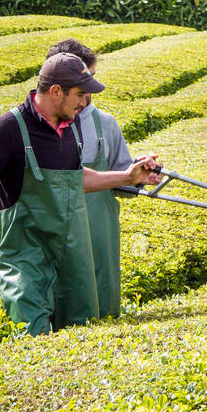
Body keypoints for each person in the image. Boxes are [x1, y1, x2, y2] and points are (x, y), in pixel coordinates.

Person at [0, 52, 160, 335]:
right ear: (55, 92)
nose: (84, 102)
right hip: (29, 263)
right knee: (32, 336)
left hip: (73, 260)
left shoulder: (70, 129)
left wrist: (128, 176)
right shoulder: (8, 129)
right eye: (79, 94)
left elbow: (78, 178)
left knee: (80, 339)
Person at [46, 38, 137, 320]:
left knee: (102, 319)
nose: (88, 92)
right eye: (83, 83)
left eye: (92, 80)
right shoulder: (33, 128)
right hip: (54, 245)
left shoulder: (105, 124)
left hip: (99, 249)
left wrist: (139, 175)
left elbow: (125, 185)